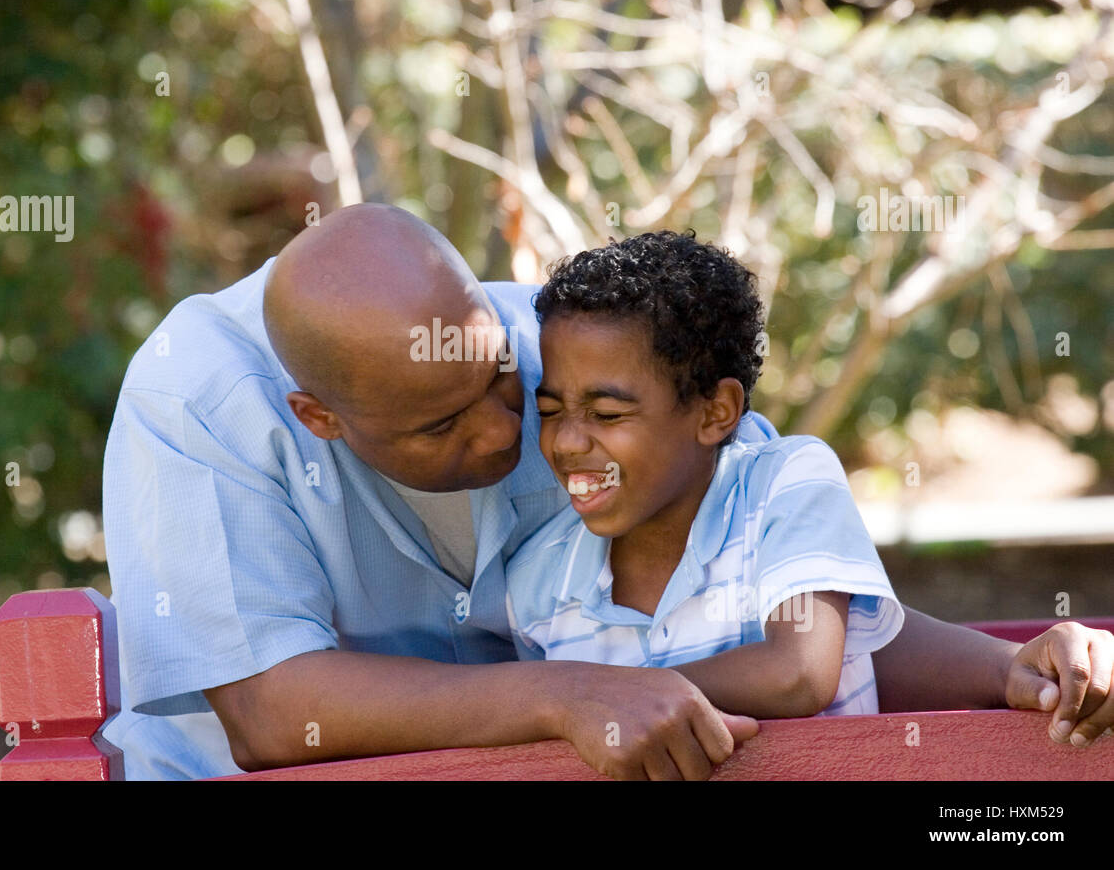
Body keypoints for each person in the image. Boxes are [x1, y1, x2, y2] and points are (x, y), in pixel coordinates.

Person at [99, 203, 1114, 780]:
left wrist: (1002, 669)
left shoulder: (558, 358)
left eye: (506, 388)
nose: (508, 436)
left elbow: (772, 558)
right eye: (441, 427)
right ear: (320, 416)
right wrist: (565, 693)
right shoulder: (199, 404)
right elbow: (275, 715)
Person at [507, 231, 902, 720]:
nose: (566, 442)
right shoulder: (535, 585)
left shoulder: (785, 487)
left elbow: (799, 674)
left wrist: (599, 698)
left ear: (716, 412)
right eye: (549, 411)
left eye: (607, 414)